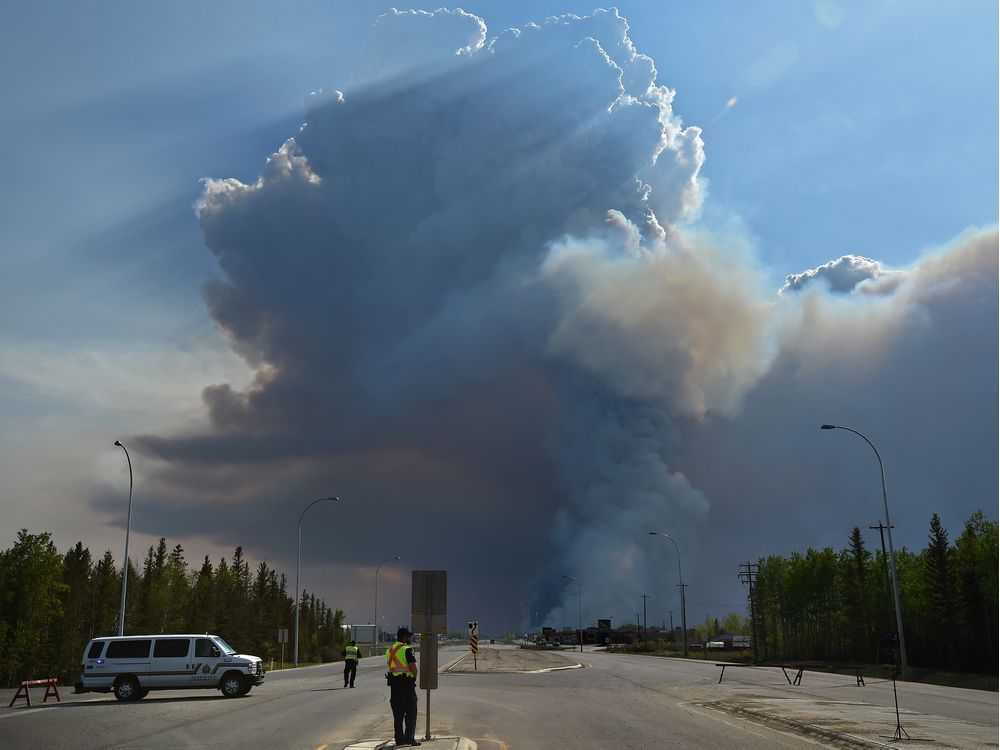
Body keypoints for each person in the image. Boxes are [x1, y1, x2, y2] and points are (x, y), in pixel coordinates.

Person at [385, 627, 420, 747]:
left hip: (394, 687)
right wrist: (414, 678)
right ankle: (409, 738)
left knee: (398, 715)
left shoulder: (389, 650)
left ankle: (399, 740)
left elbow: (391, 666)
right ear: (404, 637)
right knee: (411, 712)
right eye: (409, 636)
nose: (410, 638)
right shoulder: (407, 650)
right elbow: (414, 668)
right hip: (407, 686)